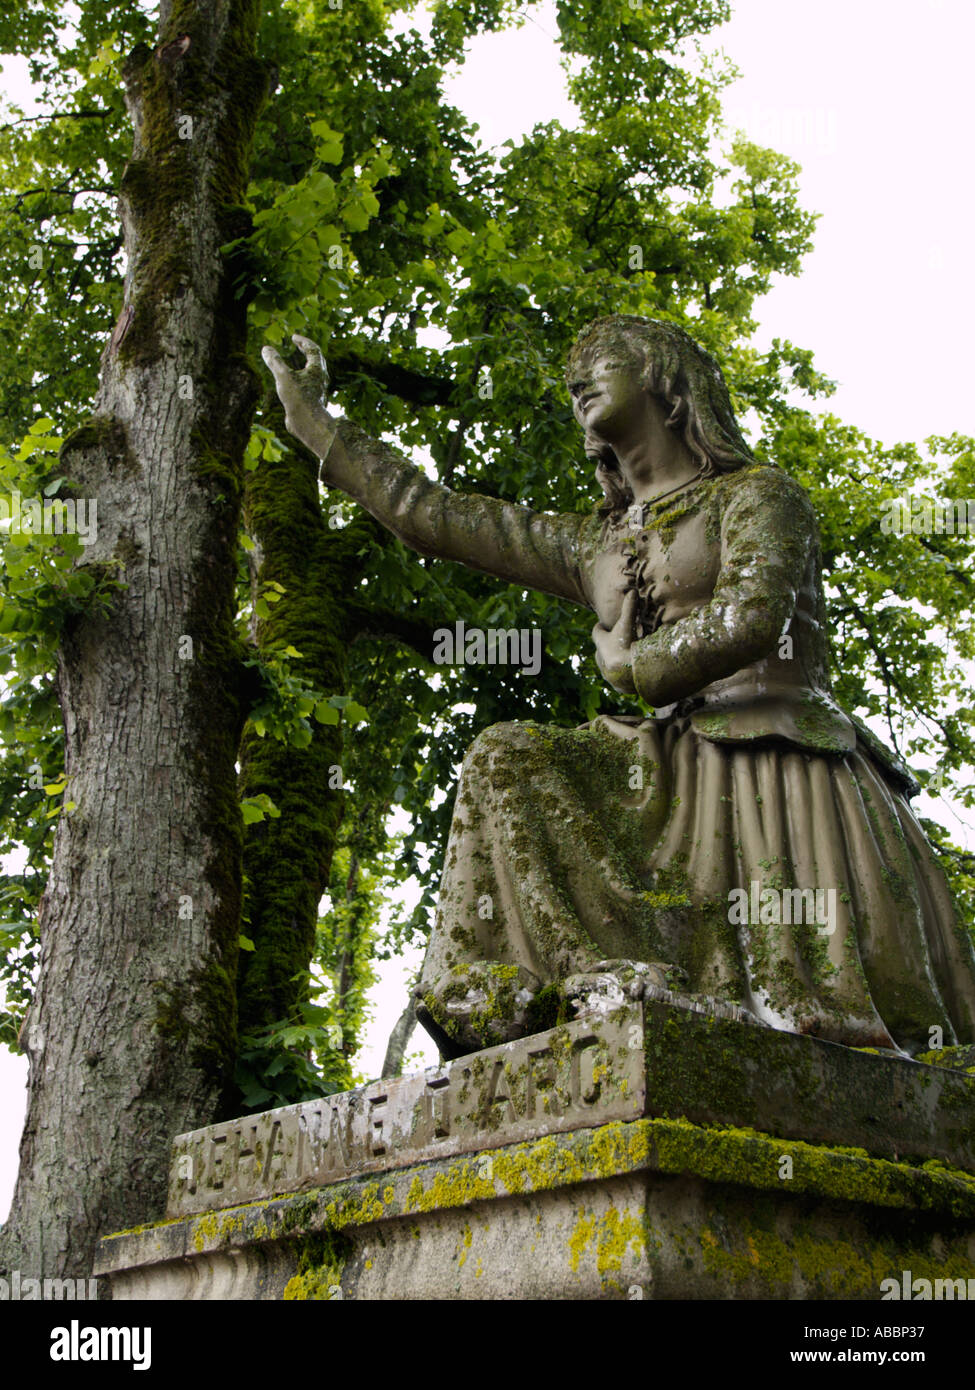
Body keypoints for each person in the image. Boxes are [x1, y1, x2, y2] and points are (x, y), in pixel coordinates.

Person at [263, 315, 975, 1060]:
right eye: (572, 369)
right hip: (665, 763)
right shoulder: (595, 539)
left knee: (799, 1017)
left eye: (602, 358)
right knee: (506, 753)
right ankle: (563, 986)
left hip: (773, 762)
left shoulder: (757, 495)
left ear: (667, 383)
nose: (578, 375)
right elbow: (438, 517)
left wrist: (631, 667)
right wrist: (318, 427)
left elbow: (752, 616)